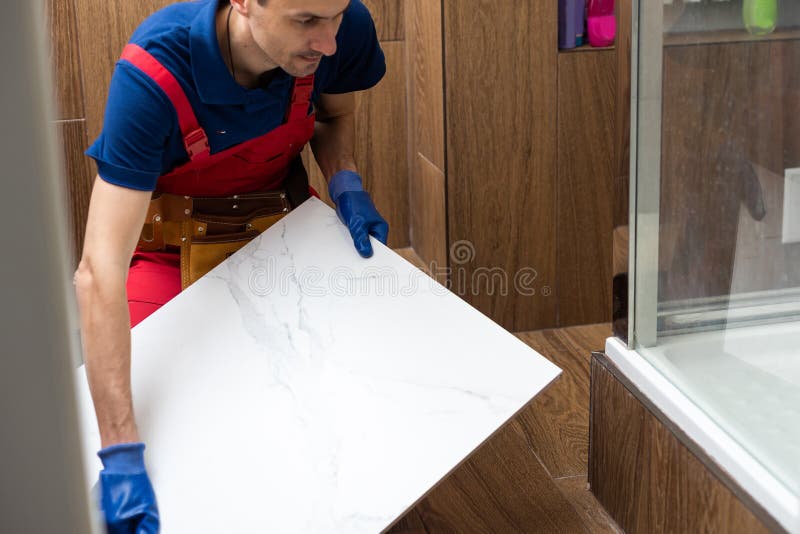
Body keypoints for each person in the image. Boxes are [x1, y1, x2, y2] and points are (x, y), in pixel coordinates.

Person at [73, 0, 389, 531]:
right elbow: (98, 272)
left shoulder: (342, 25)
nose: (330, 41)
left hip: (284, 231)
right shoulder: (154, 73)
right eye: (306, 21)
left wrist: (345, 182)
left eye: (335, 16)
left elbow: (334, 116)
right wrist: (121, 453)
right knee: (171, 441)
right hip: (169, 251)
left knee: (351, 402)